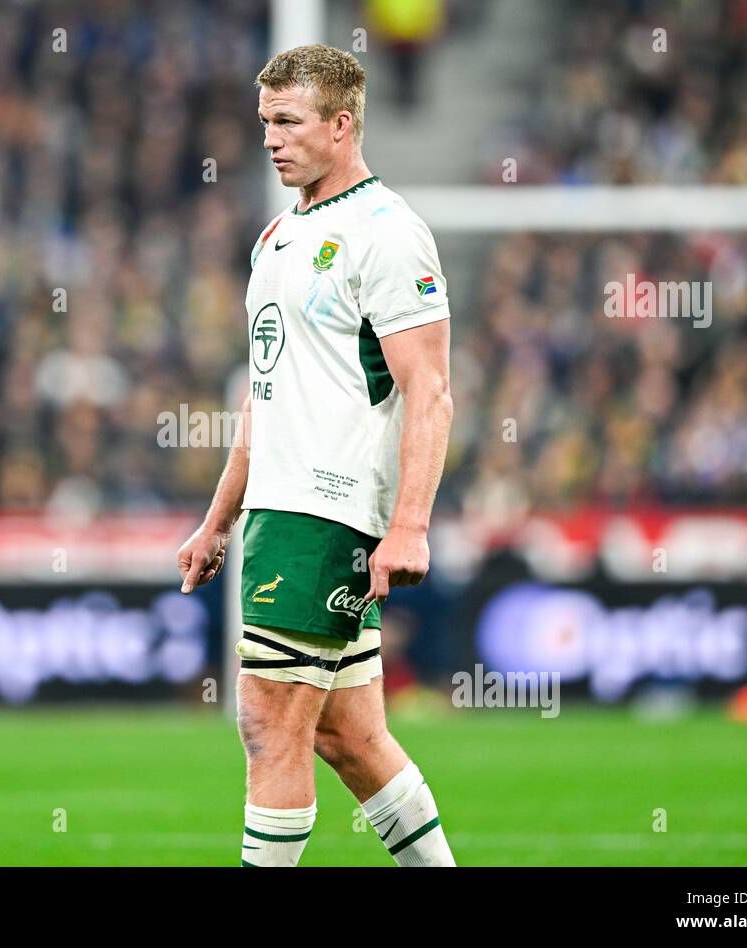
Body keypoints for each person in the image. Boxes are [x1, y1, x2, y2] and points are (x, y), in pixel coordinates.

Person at [177, 45, 456, 866]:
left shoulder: (388, 234)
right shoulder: (277, 236)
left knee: (268, 725)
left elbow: (430, 390)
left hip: (325, 512)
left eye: (288, 122)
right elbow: (264, 397)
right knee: (349, 736)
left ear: (342, 125)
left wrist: (410, 526)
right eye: (264, 122)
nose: (271, 138)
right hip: (278, 508)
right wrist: (217, 519)